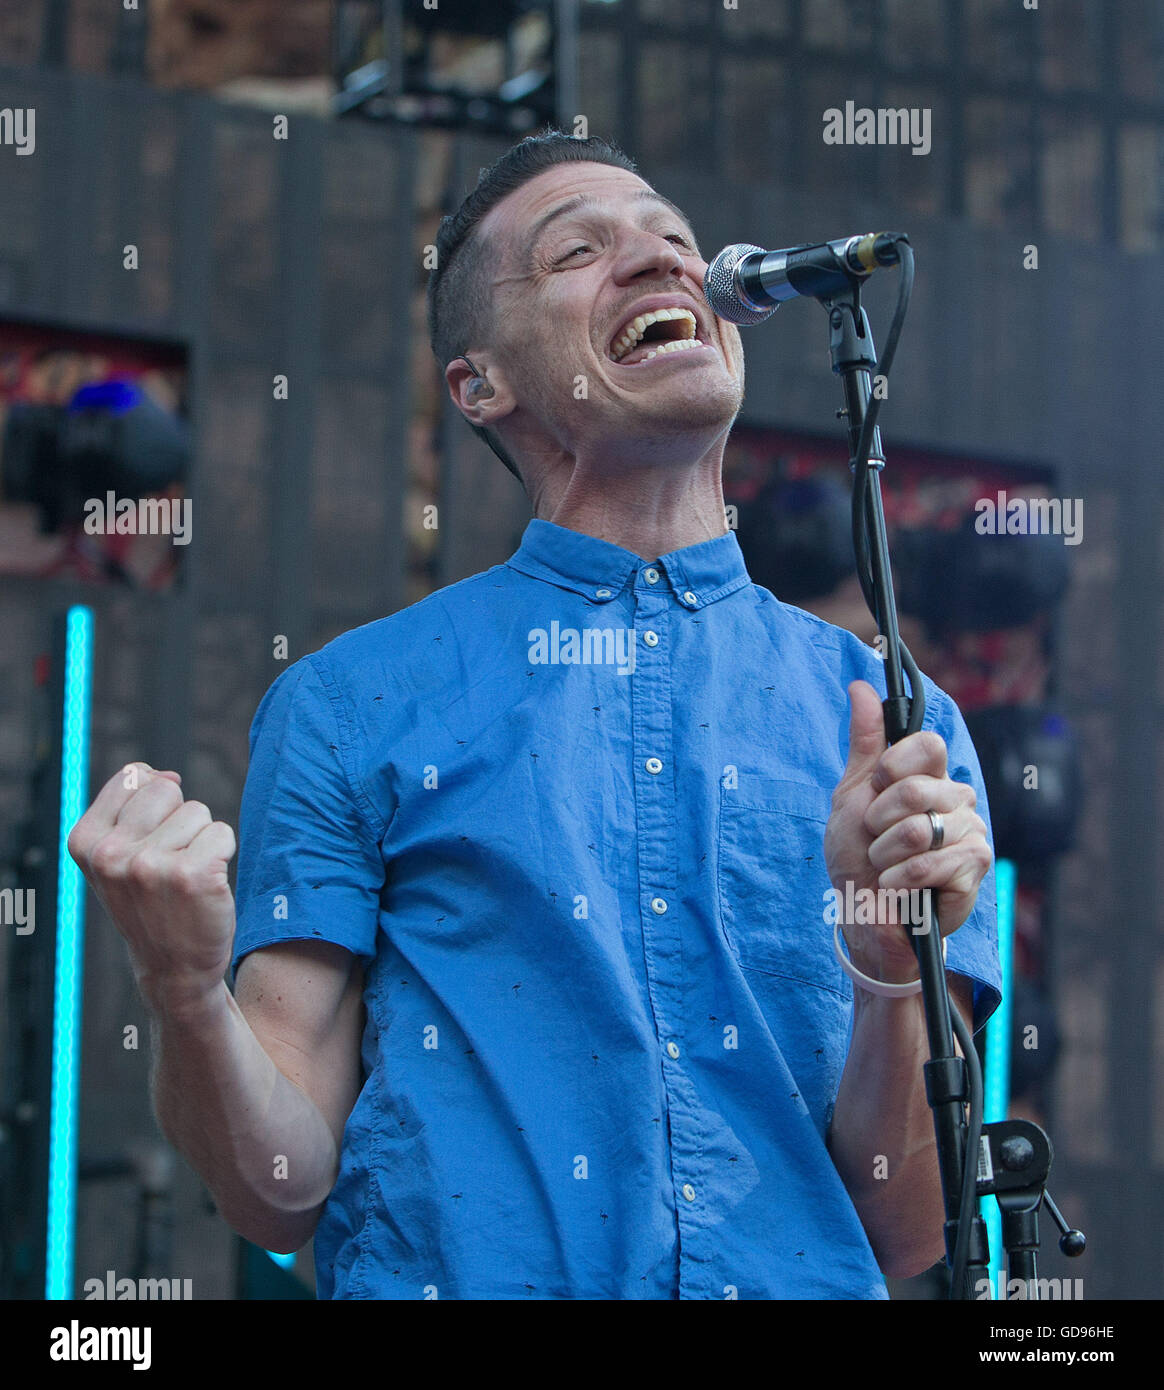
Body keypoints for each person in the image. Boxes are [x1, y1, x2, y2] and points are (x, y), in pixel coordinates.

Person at [68, 131, 998, 1300]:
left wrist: (886, 970)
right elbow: (275, 1188)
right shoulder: (351, 702)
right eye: (579, 251)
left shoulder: (898, 723)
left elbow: (908, 1230)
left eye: (676, 241)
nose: (661, 263)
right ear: (480, 382)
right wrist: (182, 994)